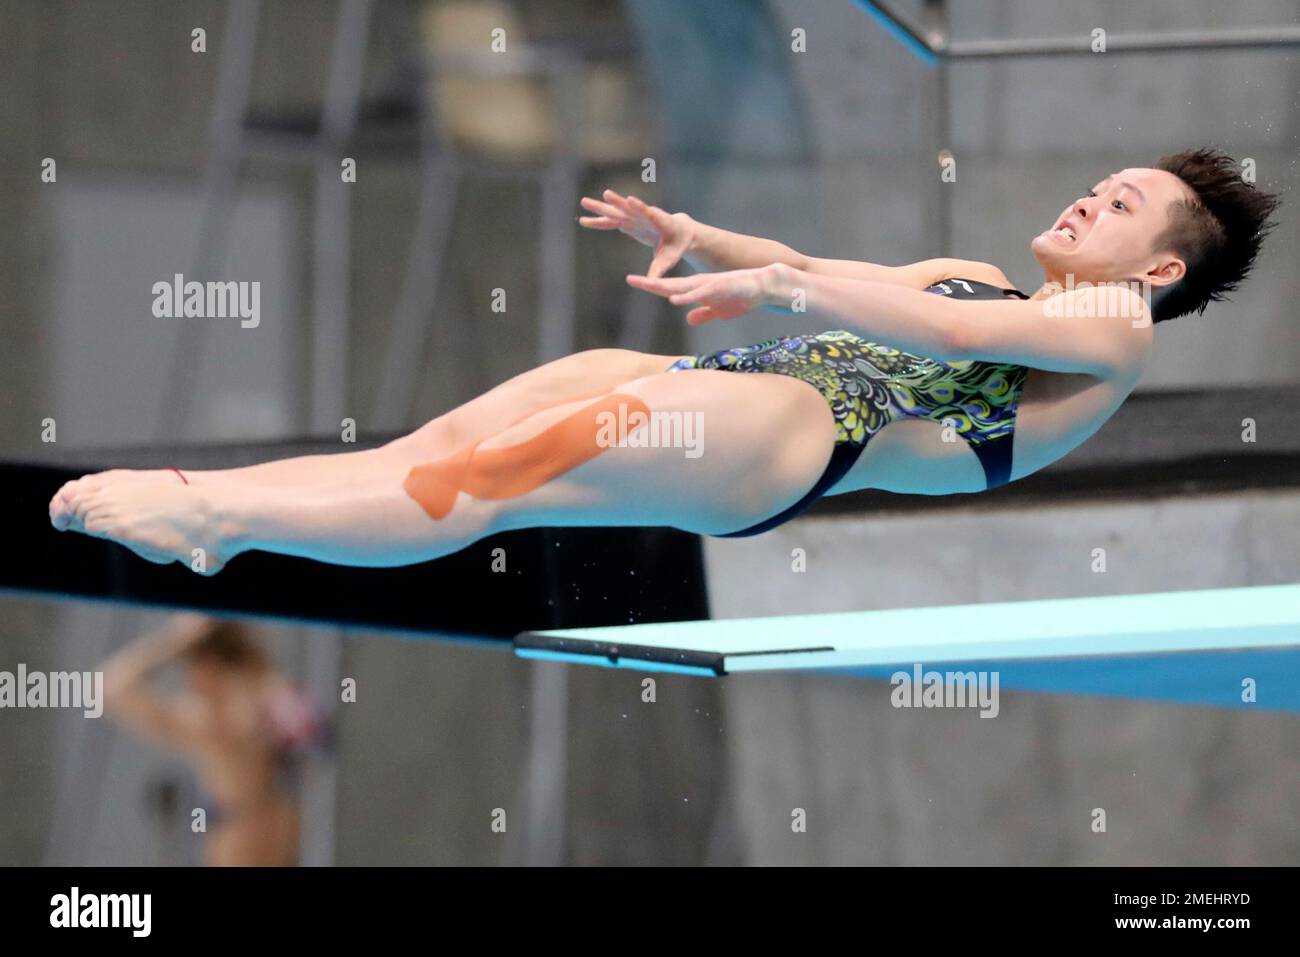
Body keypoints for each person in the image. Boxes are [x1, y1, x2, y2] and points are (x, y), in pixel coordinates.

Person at [49, 147, 1279, 570]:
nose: (1085, 206)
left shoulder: (1110, 328)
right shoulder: (978, 269)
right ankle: (227, 521)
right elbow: (830, 271)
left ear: (1158, 269)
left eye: (1116, 208)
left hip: (801, 438)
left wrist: (780, 281)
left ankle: (221, 511)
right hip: (745, 390)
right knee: (438, 449)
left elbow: (948, 342)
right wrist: (711, 239)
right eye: (1095, 187)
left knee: (502, 478)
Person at [99, 614, 319, 865]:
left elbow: (109, 687)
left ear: (206, 665)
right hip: (276, 832)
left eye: (190, 664)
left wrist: (172, 643)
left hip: (243, 840)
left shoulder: (213, 722)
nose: (189, 678)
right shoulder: (273, 699)